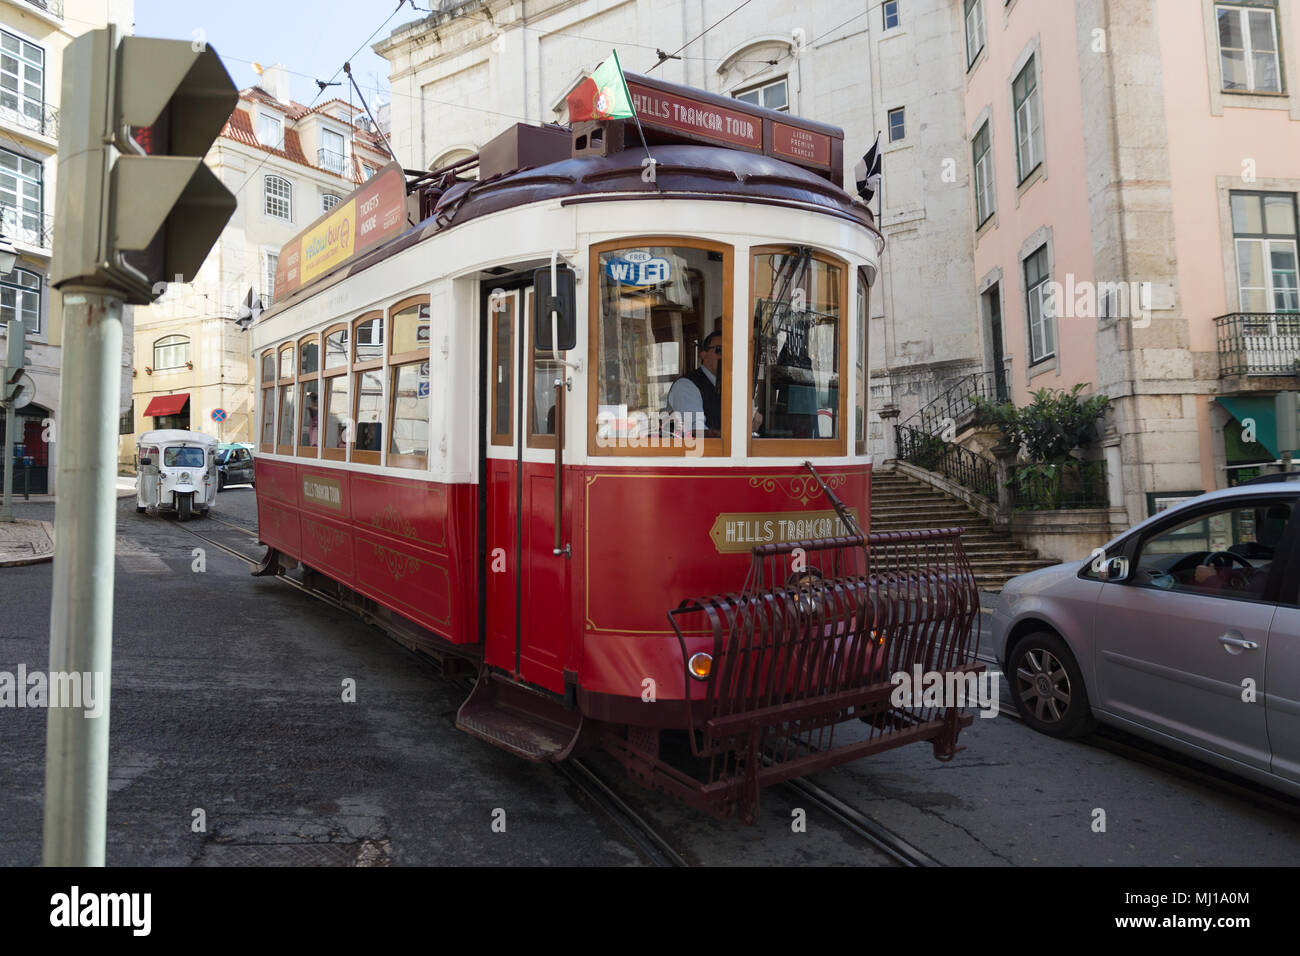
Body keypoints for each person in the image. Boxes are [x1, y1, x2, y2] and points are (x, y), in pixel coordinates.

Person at [667, 330, 722, 435]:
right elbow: (697, 432)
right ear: (704, 355)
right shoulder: (685, 386)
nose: (726, 356)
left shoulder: (730, 386)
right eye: (719, 350)